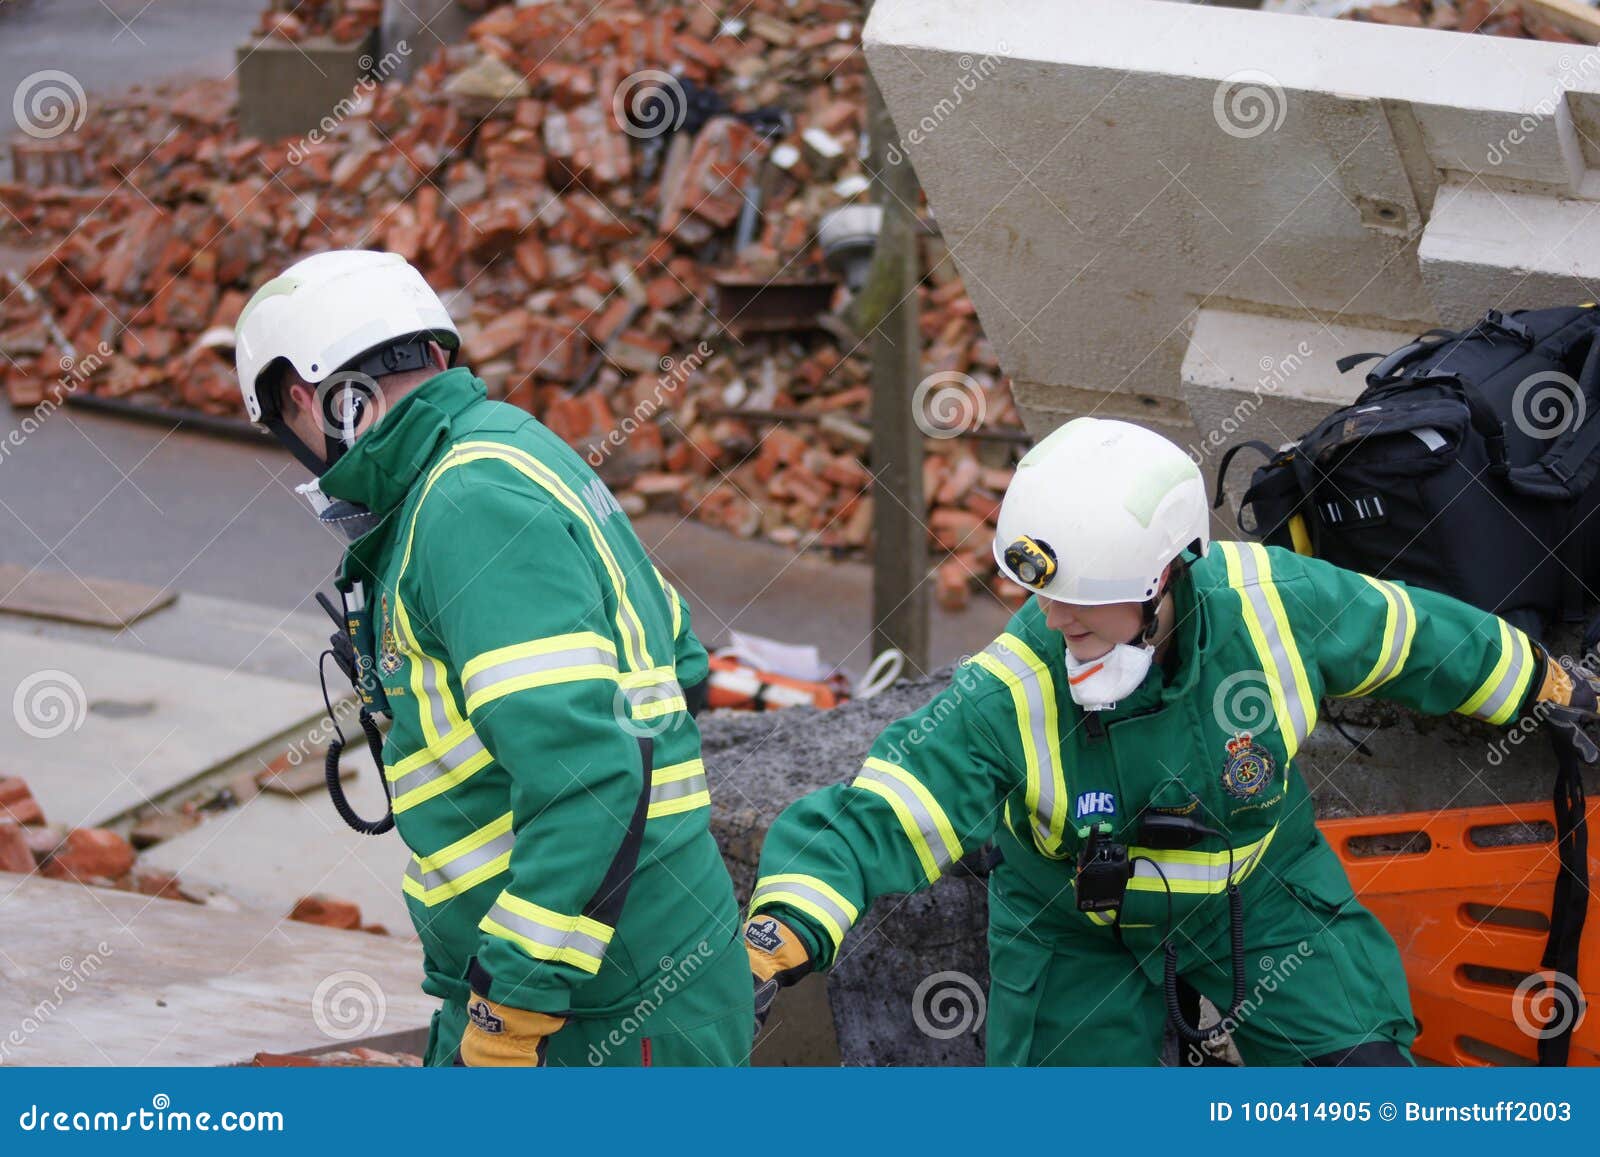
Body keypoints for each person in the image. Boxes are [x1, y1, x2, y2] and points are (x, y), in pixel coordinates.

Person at [743, 416, 1600, 1066]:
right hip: (1072, 929)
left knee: (1361, 1087)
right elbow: (891, 804)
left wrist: (1541, 682)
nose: (1055, 617)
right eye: (1043, 594)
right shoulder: (1014, 688)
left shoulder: (1270, 607)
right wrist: (786, 922)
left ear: (1164, 578)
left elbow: (1408, 635)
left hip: (1258, 895)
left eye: (1084, 595)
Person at [234, 248, 752, 1066]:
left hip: (591, 1007)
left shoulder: (465, 506)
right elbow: (680, 660)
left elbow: (588, 774)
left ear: (303, 395)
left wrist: (515, 998)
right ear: (436, 353)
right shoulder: (512, 450)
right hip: (583, 976)